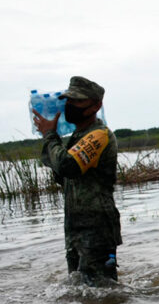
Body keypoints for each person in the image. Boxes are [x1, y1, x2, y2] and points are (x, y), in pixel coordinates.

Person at [33, 76, 122, 285]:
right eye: (69, 101)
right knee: (81, 290)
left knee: (102, 291)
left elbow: (67, 166)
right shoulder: (78, 137)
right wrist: (51, 138)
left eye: (78, 101)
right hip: (76, 229)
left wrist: (49, 135)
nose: (71, 106)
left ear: (96, 105)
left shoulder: (99, 135)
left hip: (97, 228)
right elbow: (61, 173)